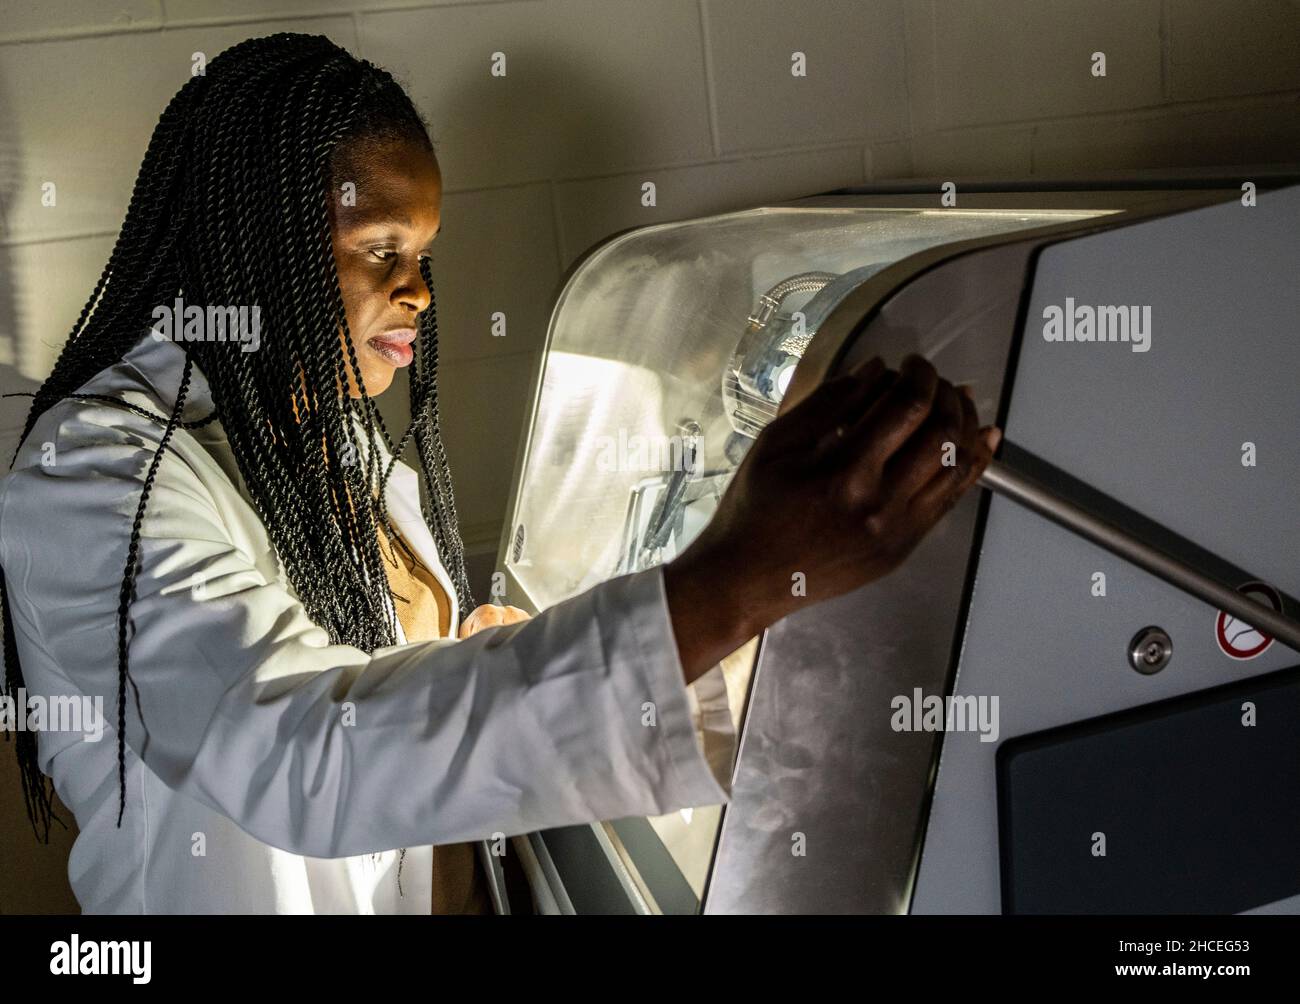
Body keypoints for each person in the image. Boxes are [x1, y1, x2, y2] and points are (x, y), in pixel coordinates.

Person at [0, 33, 999, 915]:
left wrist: (479, 647)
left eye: (425, 253)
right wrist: (734, 577)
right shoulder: (95, 477)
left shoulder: (326, 437)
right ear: (250, 249)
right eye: (381, 250)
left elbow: (375, 682)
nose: (420, 293)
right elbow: (302, 753)